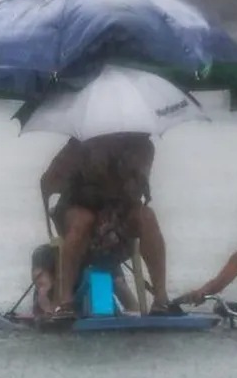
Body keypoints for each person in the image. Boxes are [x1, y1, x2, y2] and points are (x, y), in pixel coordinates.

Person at [35, 133, 168, 317]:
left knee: (147, 216)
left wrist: (116, 170)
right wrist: (71, 165)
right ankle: (65, 302)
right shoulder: (78, 144)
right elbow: (47, 183)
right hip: (79, 209)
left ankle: (161, 299)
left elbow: (135, 190)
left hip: (120, 215)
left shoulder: (142, 147)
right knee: (83, 220)